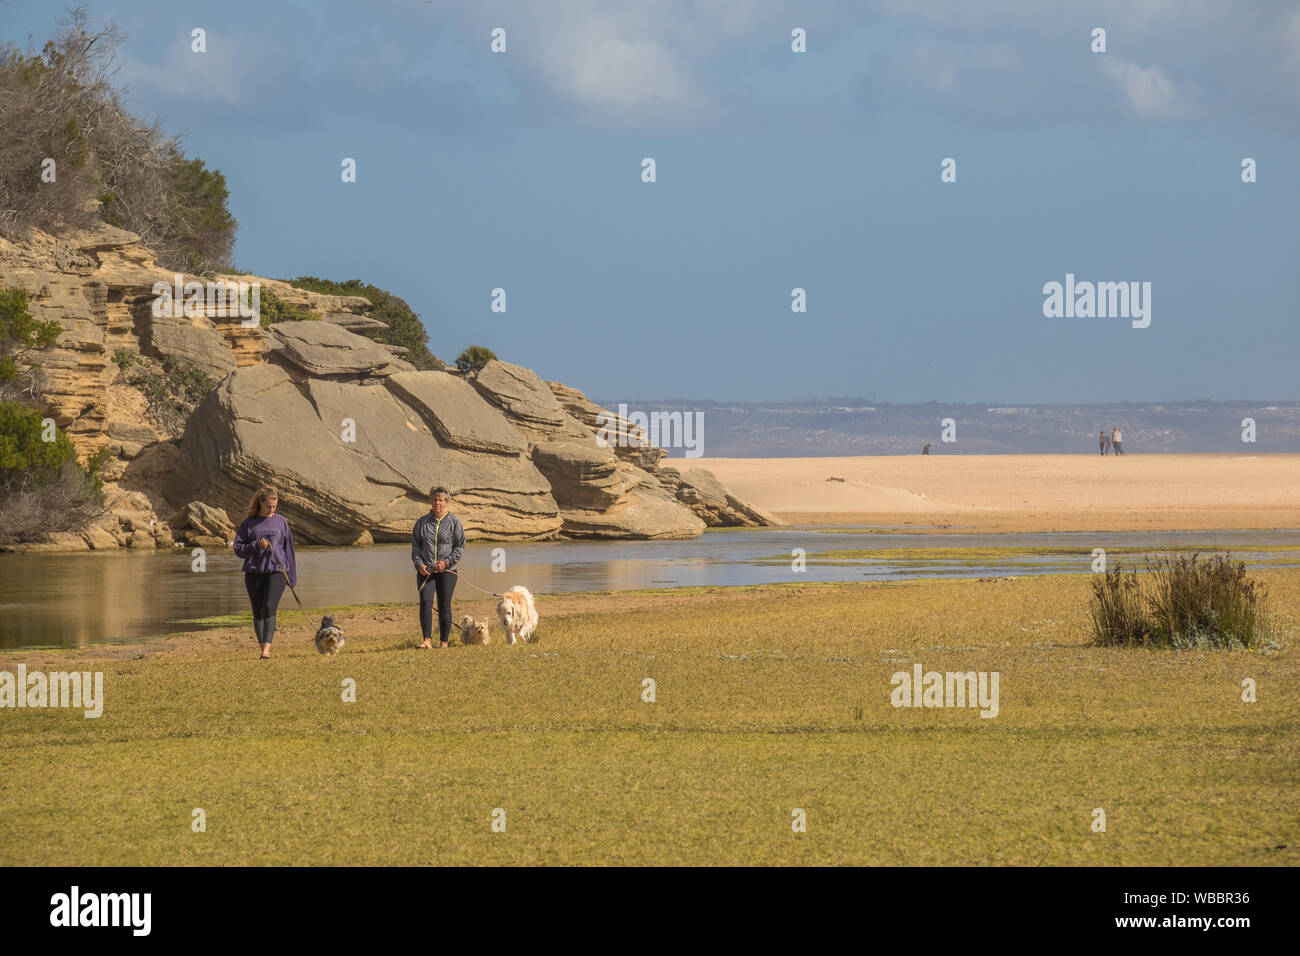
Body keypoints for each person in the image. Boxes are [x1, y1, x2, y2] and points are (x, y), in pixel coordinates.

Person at [233, 487, 297, 660]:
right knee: (258, 611)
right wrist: (256, 546)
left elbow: (289, 550)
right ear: (260, 503)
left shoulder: (281, 522)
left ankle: (266, 649)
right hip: (254, 573)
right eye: (269, 506)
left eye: (275, 506)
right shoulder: (248, 523)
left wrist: (291, 577)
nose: (272, 510)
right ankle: (263, 645)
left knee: (269, 607)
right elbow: (238, 549)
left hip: (277, 572)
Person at [411, 486, 466, 649]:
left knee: (444, 604)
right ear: (430, 501)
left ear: (446, 502)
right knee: (426, 602)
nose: (438, 503)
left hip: (447, 571)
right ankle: (427, 641)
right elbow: (415, 547)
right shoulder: (422, 522)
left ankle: (444, 643)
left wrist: (446, 562)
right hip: (425, 571)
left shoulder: (454, 522)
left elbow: (460, 547)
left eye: (441, 500)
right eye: (435, 499)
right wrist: (419, 564)